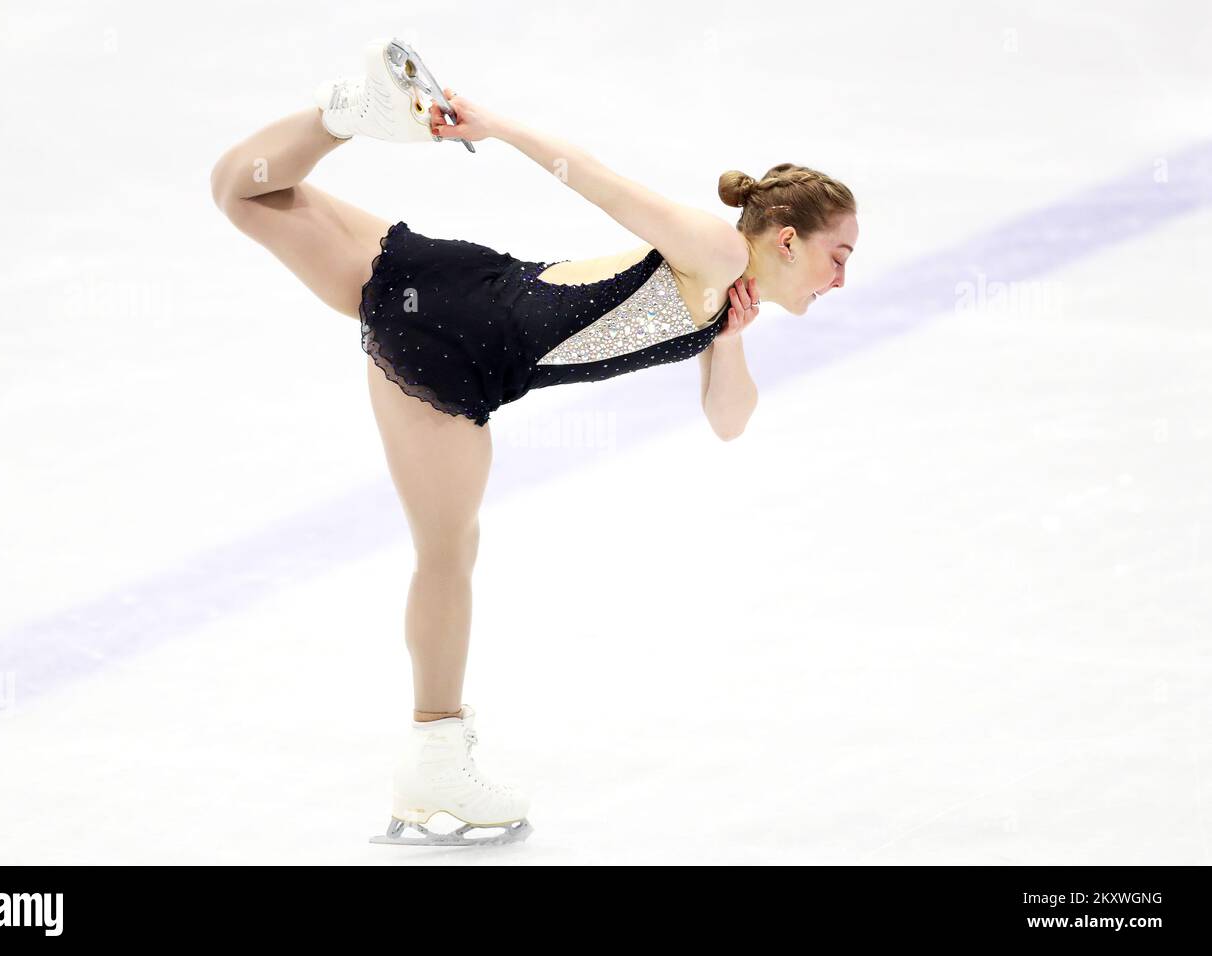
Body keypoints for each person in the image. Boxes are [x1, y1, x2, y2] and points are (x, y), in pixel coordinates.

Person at [209, 38, 859, 846]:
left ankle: (344, 113)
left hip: (461, 290)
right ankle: (434, 756)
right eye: (838, 256)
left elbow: (730, 421)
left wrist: (727, 336)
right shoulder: (720, 249)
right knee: (447, 556)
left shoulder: (724, 293)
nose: (841, 280)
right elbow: (603, 184)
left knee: (243, 192)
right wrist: (503, 127)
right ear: (787, 239)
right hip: (466, 342)